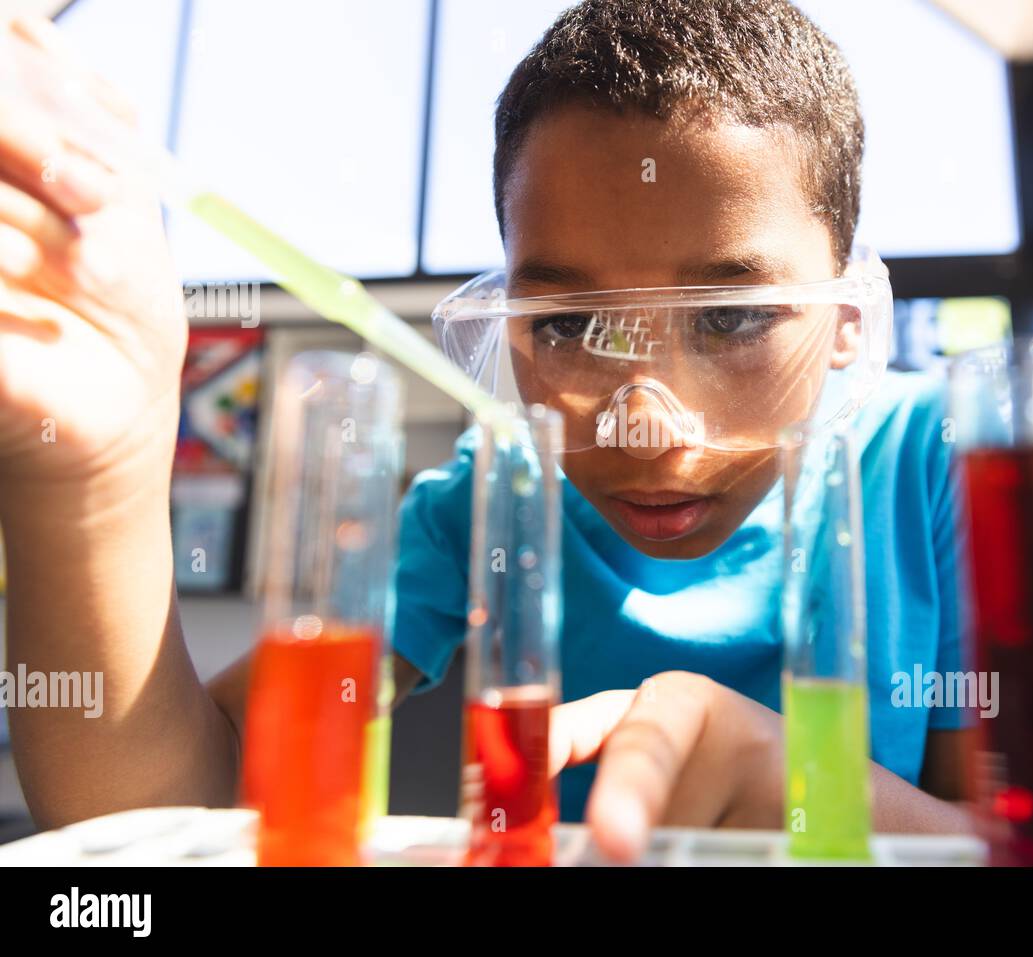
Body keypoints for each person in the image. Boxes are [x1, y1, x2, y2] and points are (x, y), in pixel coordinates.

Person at [0, 1, 971, 865]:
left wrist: (810, 795)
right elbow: (170, 811)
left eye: (729, 317)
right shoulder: (496, 498)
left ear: (852, 313)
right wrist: (92, 476)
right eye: (566, 327)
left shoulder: (936, 465)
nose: (645, 428)